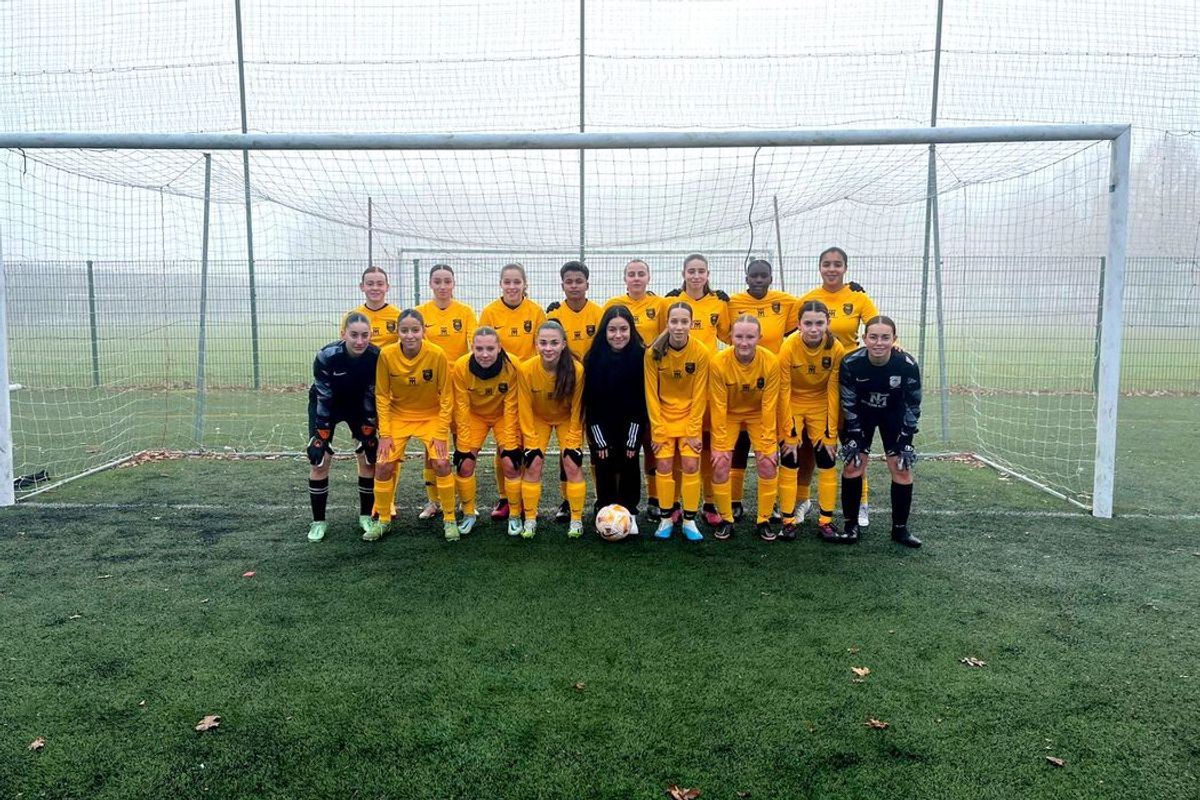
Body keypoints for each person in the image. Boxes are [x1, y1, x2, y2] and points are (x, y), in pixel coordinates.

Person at [799, 247, 881, 528]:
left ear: (845, 268)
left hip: (852, 381)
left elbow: (878, 329)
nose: (831, 269)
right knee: (810, 446)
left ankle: (861, 502)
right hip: (817, 383)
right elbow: (791, 329)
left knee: (853, 441)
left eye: (837, 264)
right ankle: (802, 500)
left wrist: (895, 346)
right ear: (819, 267)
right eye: (826, 264)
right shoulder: (810, 298)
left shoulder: (858, 297)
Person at [363, 309, 459, 542]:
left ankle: (449, 519)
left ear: (423, 331)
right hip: (398, 416)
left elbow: (447, 397)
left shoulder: (436, 354)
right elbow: (382, 396)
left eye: (415, 330)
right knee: (383, 465)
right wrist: (384, 434)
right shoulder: (386, 355)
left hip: (431, 415)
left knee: (442, 462)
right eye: (404, 330)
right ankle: (383, 520)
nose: (410, 335)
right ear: (397, 332)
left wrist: (440, 431)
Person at [837, 316, 922, 548]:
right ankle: (850, 526)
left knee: (901, 468)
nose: (879, 342)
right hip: (861, 416)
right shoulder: (851, 362)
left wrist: (907, 437)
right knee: (854, 465)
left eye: (885, 337)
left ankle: (900, 530)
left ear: (894, 339)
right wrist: (853, 433)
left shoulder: (907, 364)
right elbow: (848, 402)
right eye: (873, 337)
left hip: (893, 416)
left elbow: (913, 404)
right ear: (864, 338)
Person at [726, 258, 799, 521]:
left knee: (772, 449)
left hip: (772, 380)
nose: (758, 280)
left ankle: (776, 505)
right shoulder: (731, 302)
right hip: (738, 381)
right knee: (738, 448)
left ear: (771, 278)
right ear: (746, 278)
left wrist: (849, 287)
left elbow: (815, 310)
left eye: (763, 276)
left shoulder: (786, 300)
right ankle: (734, 502)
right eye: (754, 276)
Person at [664, 253, 730, 526]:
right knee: (680, 449)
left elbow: (728, 335)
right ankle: (677, 503)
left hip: (708, 385)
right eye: (691, 270)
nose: (696, 275)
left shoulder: (719, 302)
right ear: (683, 273)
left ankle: (709, 503)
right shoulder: (670, 302)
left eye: (701, 271)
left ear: (707, 274)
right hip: (677, 387)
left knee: (703, 447)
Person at [478, 263, 546, 525]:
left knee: (529, 445)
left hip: (528, 387)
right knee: (504, 444)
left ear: (525, 284)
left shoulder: (536, 312)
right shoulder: (490, 312)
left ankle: (529, 502)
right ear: (501, 284)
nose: (512, 286)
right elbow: (483, 349)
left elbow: (542, 347)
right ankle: (505, 497)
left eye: (517, 281)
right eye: (507, 281)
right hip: (501, 388)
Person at [304, 312, 380, 542]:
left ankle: (366, 516)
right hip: (327, 404)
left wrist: (368, 429)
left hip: (359, 405)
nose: (359, 341)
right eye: (354, 335)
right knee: (319, 458)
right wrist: (322, 433)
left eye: (364, 335)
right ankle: (318, 521)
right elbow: (324, 396)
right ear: (343, 334)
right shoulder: (327, 356)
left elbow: (370, 393)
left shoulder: (376, 356)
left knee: (368, 454)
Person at [601, 258, 666, 519]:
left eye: (641, 274)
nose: (636, 278)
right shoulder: (614, 305)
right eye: (631, 274)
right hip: (622, 376)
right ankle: (610, 501)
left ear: (648, 277)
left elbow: (669, 331)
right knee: (614, 445)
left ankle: (654, 497)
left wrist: (649, 355)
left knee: (650, 441)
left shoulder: (660, 304)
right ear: (625, 278)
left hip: (651, 377)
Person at [777, 300, 847, 541]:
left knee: (827, 458)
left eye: (819, 323)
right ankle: (787, 522)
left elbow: (833, 391)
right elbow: (783, 390)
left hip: (820, 404)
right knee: (789, 456)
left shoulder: (836, 348)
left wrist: (831, 432)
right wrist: (789, 432)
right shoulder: (788, 346)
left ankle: (826, 522)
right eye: (808, 323)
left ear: (828, 324)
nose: (814, 328)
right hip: (793, 403)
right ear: (798, 325)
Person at [708, 314, 781, 541]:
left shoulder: (770, 362)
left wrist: (768, 444)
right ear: (731, 337)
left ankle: (764, 520)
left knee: (768, 463)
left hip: (758, 414)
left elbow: (769, 406)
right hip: (728, 414)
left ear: (760, 337)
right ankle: (726, 519)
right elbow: (718, 406)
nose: (744, 342)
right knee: (720, 463)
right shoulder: (719, 362)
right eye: (739, 336)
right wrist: (719, 446)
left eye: (750, 336)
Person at [416, 264, 478, 521]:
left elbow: (474, 345)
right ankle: (434, 502)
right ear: (430, 284)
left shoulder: (464, 312)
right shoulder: (420, 313)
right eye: (438, 281)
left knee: (462, 444)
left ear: (454, 284)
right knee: (432, 448)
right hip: (430, 390)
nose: (442, 286)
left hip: (458, 387)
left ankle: (466, 503)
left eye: (447, 281)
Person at [644, 302, 711, 541]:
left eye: (684, 322)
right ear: (667, 323)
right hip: (662, 419)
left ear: (691, 324)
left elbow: (700, 394)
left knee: (692, 465)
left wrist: (694, 431)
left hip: (689, 420)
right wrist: (658, 431)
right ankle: (665, 519)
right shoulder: (653, 353)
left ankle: (690, 521)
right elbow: (651, 395)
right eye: (675, 321)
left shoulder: (701, 352)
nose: (679, 327)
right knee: (663, 466)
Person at [515, 320, 587, 539]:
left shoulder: (576, 369)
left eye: (554, 343)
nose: (548, 348)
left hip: (566, 419)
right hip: (538, 419)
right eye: (543, 343)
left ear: (563, 344)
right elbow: (524, 407)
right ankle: (530, 519)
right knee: (534, 462)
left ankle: (576, 519)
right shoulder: (526, 369)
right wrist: (530, 442)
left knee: (571, 463)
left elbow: (577, 408)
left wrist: (574, 439)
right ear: (536, 344)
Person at [546, 260, 604, 522]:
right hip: (565, 389)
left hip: (593, 388)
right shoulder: (554, 315)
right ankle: (567, 501)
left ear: (587, 284)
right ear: (563, 285)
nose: (574, 286)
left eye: (578, 281)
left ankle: (600, 499)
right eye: (569, 281)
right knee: (568, 447)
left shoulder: (599, 313)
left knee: (595, 443)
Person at [450, 326, 523, 536]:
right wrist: (464, 447)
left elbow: (511, 408)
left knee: (510, 462)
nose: (484, 354)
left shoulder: (512, 366)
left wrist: (510, 447)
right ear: (472, 347)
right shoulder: (461, 367)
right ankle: (468, 513)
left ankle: (515, 515)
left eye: (490, 348)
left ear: (499, 347)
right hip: (475, 416)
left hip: (502, 415)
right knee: (464, 464)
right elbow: (462, 409)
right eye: (479, 348)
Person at [583, 305, 648, 531]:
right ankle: (606, 509)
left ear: (631, 330)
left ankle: (629, 511)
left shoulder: (641, 356)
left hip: (631, 425)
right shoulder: (592, 358)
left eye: (623, 329)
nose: (618, 335)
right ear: (604, 331)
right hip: (601, 426)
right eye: (612, 330)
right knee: (604, 461)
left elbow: (642, 402)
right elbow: (589, 403)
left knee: (629, 461)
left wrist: (634, 438)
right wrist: (598, 439)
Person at [352, 265, 401, 348]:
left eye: (380, 284)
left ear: (387, 287)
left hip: (388, 361)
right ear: (362, 287)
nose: (375, 288)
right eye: (370, 284)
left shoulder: (398, 315)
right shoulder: (352, 316)